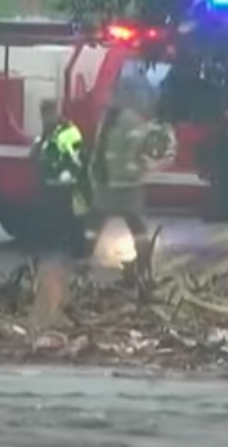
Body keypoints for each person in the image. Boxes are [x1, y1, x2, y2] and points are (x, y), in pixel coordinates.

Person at [87, 78, 177, 279]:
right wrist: (144, 169)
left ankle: (82, 261)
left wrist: (95, 175)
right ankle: (144, 265)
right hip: (126, 185)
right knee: (138, 228)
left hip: (105, 184)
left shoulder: (106, 119)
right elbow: (143, 149)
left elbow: (98, 149)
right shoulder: (132, 120)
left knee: (94, 225)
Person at [28, 99, 89, 329]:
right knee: (51, 221)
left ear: (56, 113)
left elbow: (78, 159)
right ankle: (54, 249)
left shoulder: (68, 132)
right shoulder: (47, 134)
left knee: (71, 221)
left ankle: (77, 254)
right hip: (49, 186)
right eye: (43, 115)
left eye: (48, 114)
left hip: (66, 187)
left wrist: (66, 175)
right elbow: (36, 154)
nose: (46, 118)